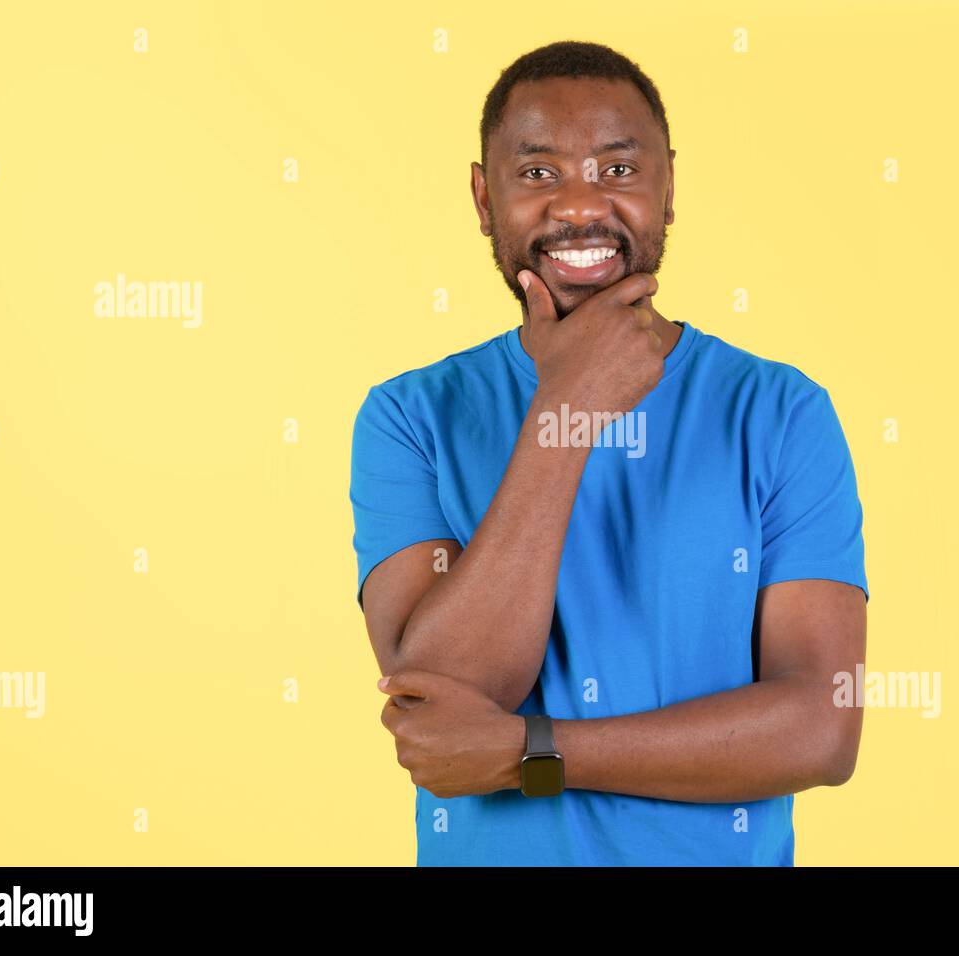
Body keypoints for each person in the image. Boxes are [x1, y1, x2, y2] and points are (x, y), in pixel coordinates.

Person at [350, 40, 869, 866]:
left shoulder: (780, 412)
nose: (580, 207)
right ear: (485, 198)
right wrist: (565, 410)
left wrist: (535, 755)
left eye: (619, 171)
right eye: (539, 173)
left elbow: (820, 729)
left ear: (670, 190)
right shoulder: (409, 417)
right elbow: (447, 709)